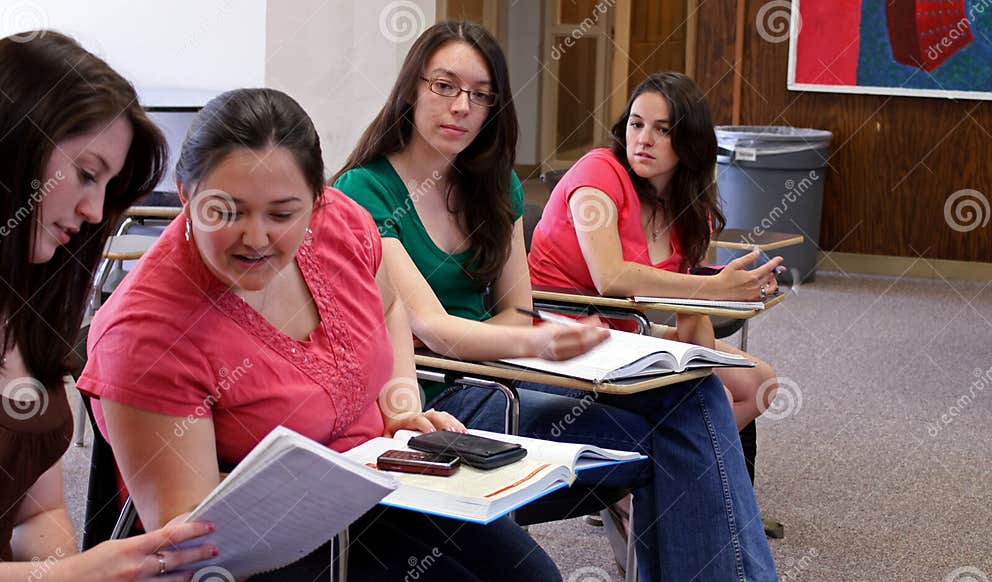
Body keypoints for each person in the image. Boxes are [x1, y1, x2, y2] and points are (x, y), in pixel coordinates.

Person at [334, 20, 777, 581]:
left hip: (506, 371)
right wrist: (535, 340)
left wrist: (519, 340)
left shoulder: (496, 187)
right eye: (444, 86)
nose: (461, 106)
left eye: (480, 94)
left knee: (694, 399)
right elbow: (436, 329)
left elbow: (516, 308)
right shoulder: (365, 190)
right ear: (412, 88)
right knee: (683, 440)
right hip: (441, 396)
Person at [77, 87, 561, 581]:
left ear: (317, 200)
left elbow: (390, 304)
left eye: (283, 214)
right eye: (225, 212)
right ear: (185, 194)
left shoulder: (340, 224)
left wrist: (399, 409)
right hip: (261, 544)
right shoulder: (147, 332)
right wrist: (335, 487)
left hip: (375, 483)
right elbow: (192, 531)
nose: (257, 238)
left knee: (535, 576)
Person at [0, 31, 216, 581]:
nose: (95, 210)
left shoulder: (27, 314)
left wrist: (67, 570)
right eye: (87, 174)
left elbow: (37, 512)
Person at [528, 72, 784, 429]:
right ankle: (667, 470)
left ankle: (668, 473)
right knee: (713, 404)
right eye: (636, 124)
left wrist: (730, 292)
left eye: (663, 130)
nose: (643, 140)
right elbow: (611, 277)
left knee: (761, 383)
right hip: (563, 329)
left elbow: (691, 313)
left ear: (689, 141)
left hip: (626, 330)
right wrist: (716, 289)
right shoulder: (598, 172)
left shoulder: (690, 212)